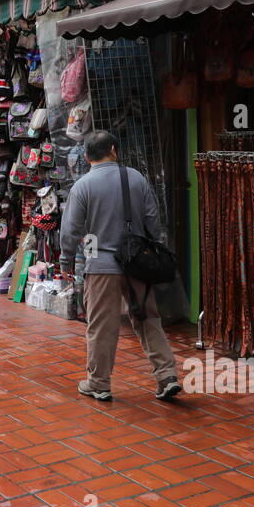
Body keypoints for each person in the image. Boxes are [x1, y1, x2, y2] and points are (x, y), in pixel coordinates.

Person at [59, 129, 181, 402]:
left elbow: (70, 230)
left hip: (100, 265)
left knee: (102, 326)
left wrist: (66, 259)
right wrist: (153, 251)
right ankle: (167, 376)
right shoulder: (136, 178)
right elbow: (153, 222)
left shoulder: (83, 186)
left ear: (87, 157)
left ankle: (99, 383)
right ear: (113, 149)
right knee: (148, 320)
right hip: (137, 264)